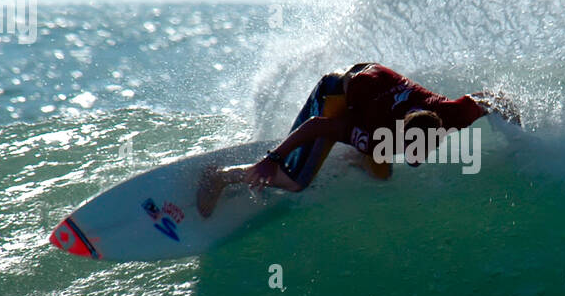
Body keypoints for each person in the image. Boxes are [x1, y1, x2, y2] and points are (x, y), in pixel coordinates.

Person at [196, 62, 520, 216]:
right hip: (337, 91)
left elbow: (495, 98)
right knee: (297, 182)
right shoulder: (376, 133)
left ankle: (354, 158)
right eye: (413, 150)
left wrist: (518, 139)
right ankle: (221, 177)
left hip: (371, 81)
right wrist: (272, 159)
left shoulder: (453, 115)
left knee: (382, 174)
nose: (418, 158)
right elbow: (316, 126)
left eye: (428, 148)